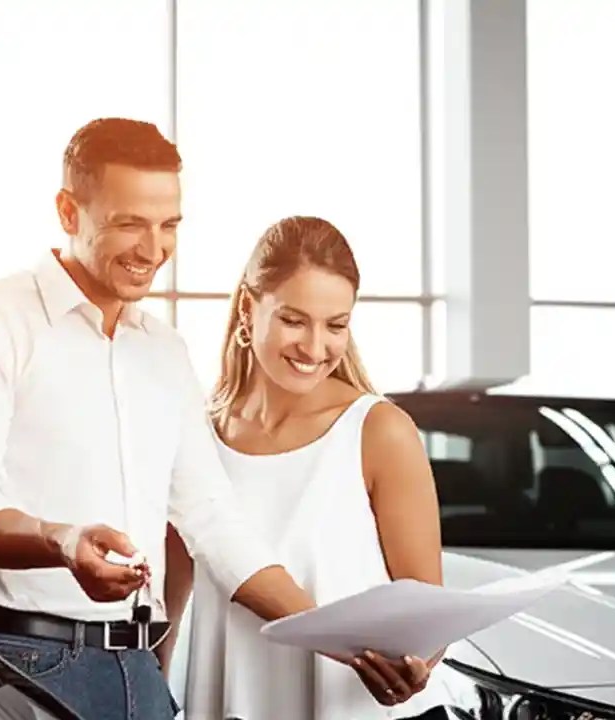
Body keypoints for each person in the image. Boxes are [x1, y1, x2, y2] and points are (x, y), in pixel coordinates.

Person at [0, 119, 420, 719]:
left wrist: (339, 638)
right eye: (129, 222)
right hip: (18, 665)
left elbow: (212, 519)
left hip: (135, 674)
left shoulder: (162, 353)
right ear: (68, 211)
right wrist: (63, 542)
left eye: (168, 225)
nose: (152, 249)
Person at [158, 216, 446, 719]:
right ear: (249, 309)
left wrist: (416, 666)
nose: (315, 349)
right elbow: (170, 604)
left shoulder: (379, 431)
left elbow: (426, 609)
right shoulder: (195, 437)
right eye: (294, 320)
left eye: (336, 325)